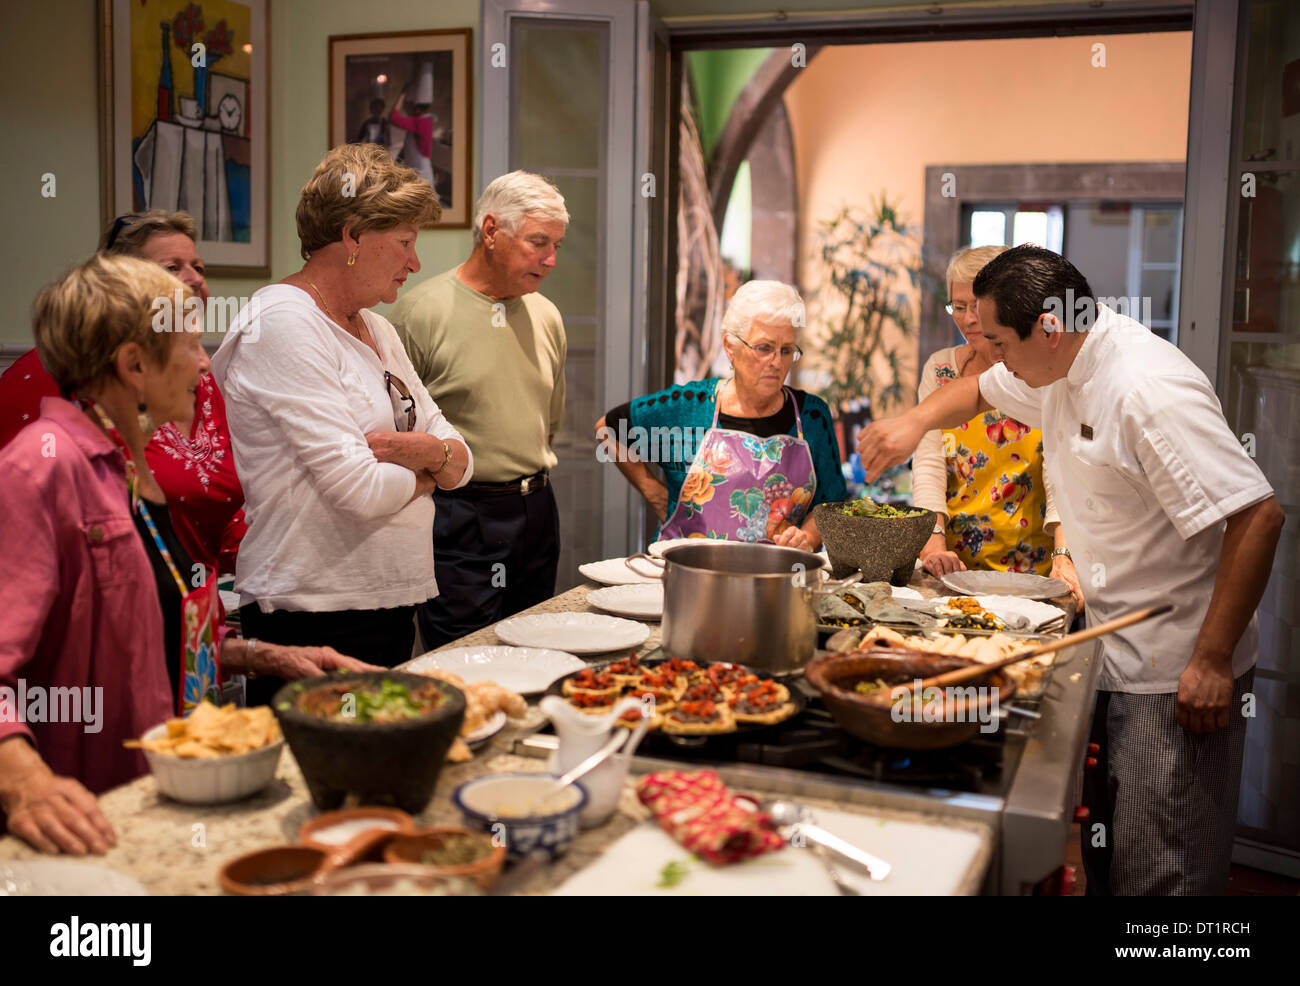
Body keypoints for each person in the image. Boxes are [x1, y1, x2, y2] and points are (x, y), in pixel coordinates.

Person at [856, 245, 1284, 895]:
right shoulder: (1058, 360)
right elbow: (974, 392)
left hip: (1176, 672)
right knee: (1115, 857)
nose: (993, 357)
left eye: (1000, 341)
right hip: (1112, 651)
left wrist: (1213, 659)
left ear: (1049, 329)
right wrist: (911, 422)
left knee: (1163, 872)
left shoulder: (1145, 388)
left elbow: (1258, 517)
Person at [0, 255, 374, 856]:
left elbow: (155, 635)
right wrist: (22, 782)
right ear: (134, 365)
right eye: (192, 345)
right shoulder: (43, 465)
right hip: (89, 821)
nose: (205, 364)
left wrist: (271, 656)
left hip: (163, 795)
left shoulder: (135, 467)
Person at [212, 143, 472, 694]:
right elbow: (358, 489)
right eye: (404, 242)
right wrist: (430, 465)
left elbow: (460, 457)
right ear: (352, 236)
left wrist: (429, 455)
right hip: (313, 611)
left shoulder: (377, 328)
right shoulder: (282, 321)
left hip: (388, 598)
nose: (415, 262)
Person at [0, 210, 247, 577]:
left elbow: (221, 513)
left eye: (198, 266)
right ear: (120, 289)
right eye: (172, 269)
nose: (194, 280)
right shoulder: (45, 403)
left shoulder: (194, 378)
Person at [390, 170, 567, 650]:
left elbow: (545, 428)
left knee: (536, 654)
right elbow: (392, 438)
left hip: (535, 511)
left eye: (556, 246)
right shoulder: (419, 313)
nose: (550, 260)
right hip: (459, 516)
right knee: (465, 660)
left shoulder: (547, 316)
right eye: (538, 242)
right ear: (491, 232)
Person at [596, 281, 846, 550]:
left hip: (775, 581)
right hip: (688, 577)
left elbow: (831, 506)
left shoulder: (812, 417)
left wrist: (806, 537)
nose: (776, 362)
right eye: (764, 348)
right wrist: (655, 494)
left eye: (786, 350)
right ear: (730, 347)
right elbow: (608, 430)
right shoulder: (688, 407)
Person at [912, 245, 1082, 606]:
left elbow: (1059, 470)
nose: (970, 318)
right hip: (955, 567)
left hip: (1035, 567)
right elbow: (928, 463)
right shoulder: (940, 369)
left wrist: (1063, 555)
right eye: (959, 307)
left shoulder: (1041, 369)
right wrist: (935, 543)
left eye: (977, 305)